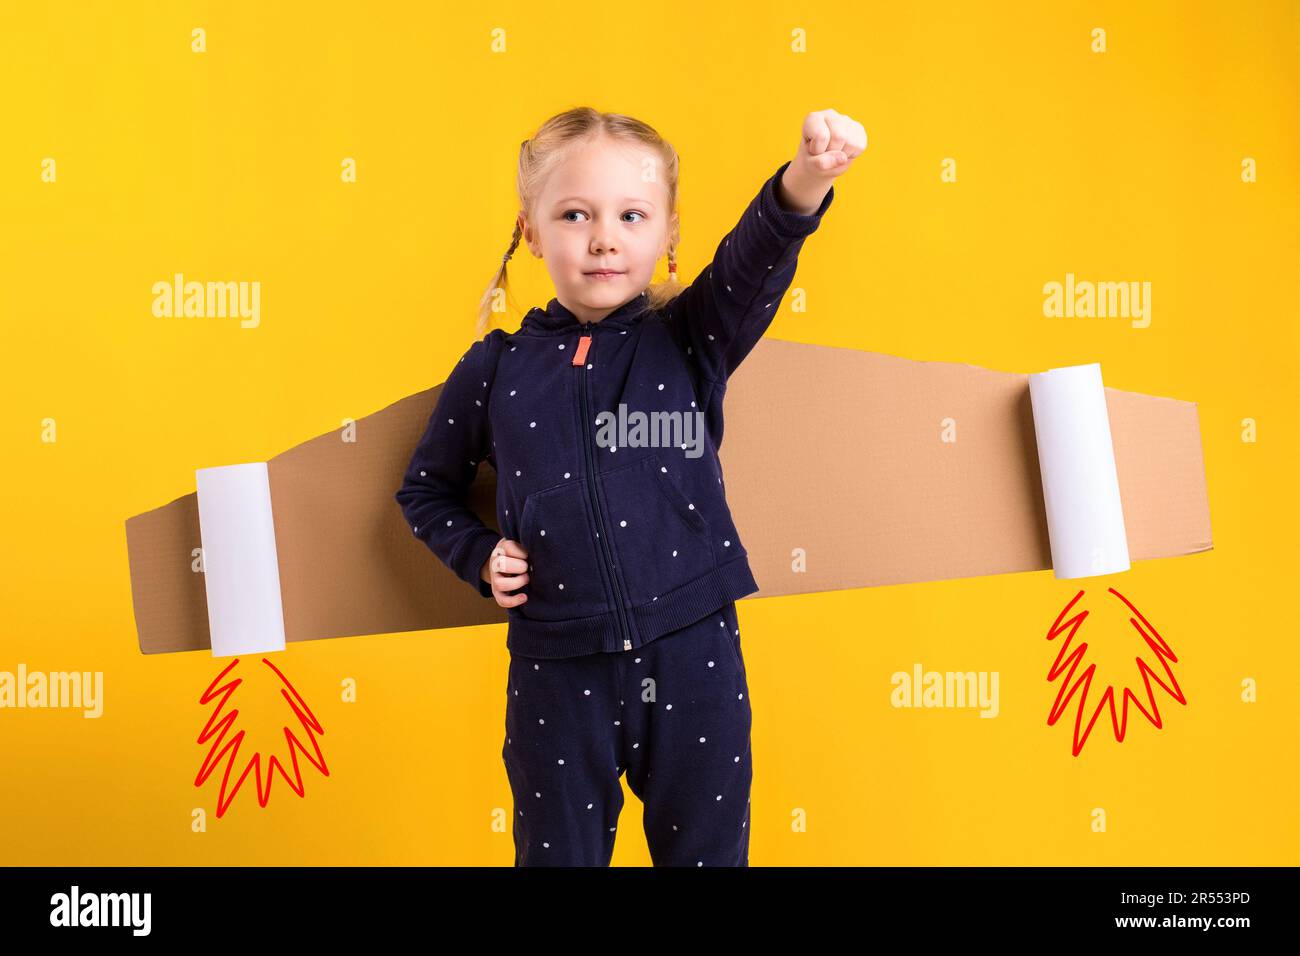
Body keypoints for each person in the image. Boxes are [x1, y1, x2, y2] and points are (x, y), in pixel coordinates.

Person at [396, 106, 863, 865]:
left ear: (668, 233)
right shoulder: (494, 369)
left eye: (631, 214)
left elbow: (754, 261)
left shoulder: (689, 338)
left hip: (693, 655)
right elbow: (425, 489)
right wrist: (479, 555)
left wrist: (806, 179)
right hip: (557, 669)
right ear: (533, 232)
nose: (604, 237)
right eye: (575, 214)